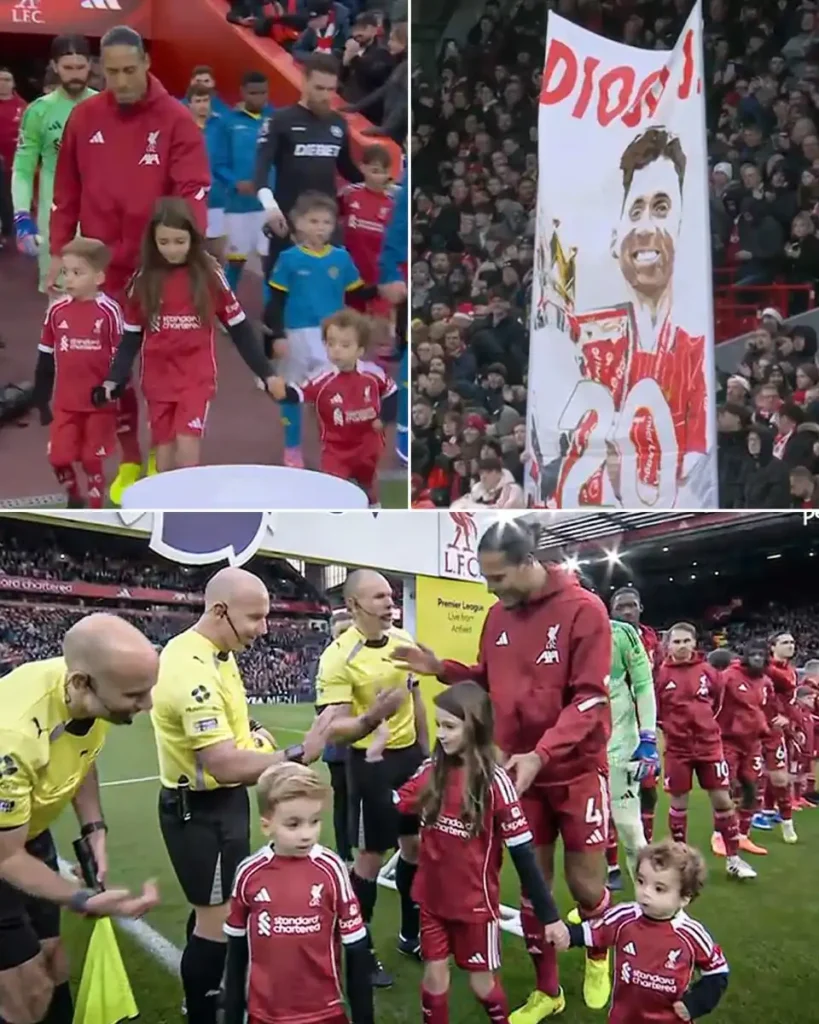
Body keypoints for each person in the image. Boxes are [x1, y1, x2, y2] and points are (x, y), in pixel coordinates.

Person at [149, 567, 394, 1024]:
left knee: (214, 910)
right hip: (202, 811)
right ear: (220, 611)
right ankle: (204, 1010)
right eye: (255, 618)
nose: (264, 629)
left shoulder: (219, 652)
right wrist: (298, 753)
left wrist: (264, 742)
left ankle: (206, 996)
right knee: (213, 922)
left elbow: (243, 726)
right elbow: (223, 763)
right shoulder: (190, 668)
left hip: (223, 805)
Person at [395, 520, 614, 1020]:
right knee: (532, 884)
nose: (490, 588)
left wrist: (543, 753)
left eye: (496, 577)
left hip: (575, 771)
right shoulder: (496, 616)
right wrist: (441, 669)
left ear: (527, 562)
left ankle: (599, 953)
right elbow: (486, 681)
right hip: (517, 772)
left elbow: (591, 698)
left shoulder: (585, 610)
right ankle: (549, 990)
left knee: (584, 886)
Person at [49, 24, 211, 501]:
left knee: (159, 368)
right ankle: (129, 462)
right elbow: (65, 192)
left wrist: (184, 257)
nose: (120, 81)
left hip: (154, 269)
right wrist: (60, 255)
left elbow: (192, 195)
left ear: (146, 65)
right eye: (112, 72)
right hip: (103, 269)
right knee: (106, 369)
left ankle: (168, 461)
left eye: (129, 70)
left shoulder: (177, 121)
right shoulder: (84, 118)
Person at [0, 613, 161, 1024]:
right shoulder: (13, 736)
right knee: (26, 991)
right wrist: (81, 897)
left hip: (25, 834)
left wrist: (94, 829)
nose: (149, 705)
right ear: (80, 684)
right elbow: (6, 859)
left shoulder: (85, 684)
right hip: (5, 850)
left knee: (55, 963)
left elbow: (83, 755)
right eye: (135, 695)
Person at [396, 683, 566, 1024]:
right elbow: (397, 803)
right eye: (439, 725)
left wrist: (550, 917)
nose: (441, 734)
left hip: (474, 906)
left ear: (474, 726)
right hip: (431, 900)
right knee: (434, 976)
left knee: (481, 983)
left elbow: (523, 855)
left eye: (450, 726)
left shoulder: (494, 783)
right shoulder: (431, 772)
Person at [96, 198, 276, 473]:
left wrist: (266, 373)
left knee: (187, 452)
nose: (172, 249)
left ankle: (186, 508)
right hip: (158, 380)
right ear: (153, 241)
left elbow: (239, 328)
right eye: (164, 242)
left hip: (195, 377)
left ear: (193, 238)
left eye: (180, 241)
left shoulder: (210, 275)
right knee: (164, 458)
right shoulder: (144, 280)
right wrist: (113, 378)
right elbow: (131, 337)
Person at [316, 569, 429, 988]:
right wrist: (373, 716)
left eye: (390, 595)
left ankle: (409, 935)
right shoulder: (337, 658)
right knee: (369, 858)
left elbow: (416, 698)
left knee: (414, 848)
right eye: (379, 596)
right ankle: (357, 953)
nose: (389, 602)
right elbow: (335, 728)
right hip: (369, 765)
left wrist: (425, 752)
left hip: (409, 760)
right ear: (353, 606)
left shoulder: (403, 643)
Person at [253, 51, 363, 449]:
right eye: (318, 88)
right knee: (278, 297)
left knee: (327, 299)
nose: (325, 96)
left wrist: (381, 182)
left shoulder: (336, 123)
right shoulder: (281, 121)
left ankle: (328, 386)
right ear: (303, 83)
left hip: (326, 228)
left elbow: (349, 169)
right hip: (286, 225)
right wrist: (269, 208)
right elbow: (261, 168)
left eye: (331, 91)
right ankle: (276, 364)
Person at [221, 763, 374, 1024]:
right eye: (293, 824)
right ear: (267, 825)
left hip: (325, 1011)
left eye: (314, 821)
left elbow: (356, 949)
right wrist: (233, 1015)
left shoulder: (332, 869)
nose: (307, 834)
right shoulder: (249, 873)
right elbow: (236, 954)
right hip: (265, 1013)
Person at [559, 840, 729, 1024]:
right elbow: (593, 931)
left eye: (659, 889)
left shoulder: (691, 934)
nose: (645, 892)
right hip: (624, 1018)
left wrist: (696, 1003)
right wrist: (567, 935)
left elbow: (718, 971)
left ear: (684, 898)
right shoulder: (623, 917)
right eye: (641, 881)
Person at [655, 623, 755, 879]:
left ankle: (733, 858)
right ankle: (681, 857)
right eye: (676, 642)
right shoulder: (660, 674)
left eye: (686, 641)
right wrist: (671, 729)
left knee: (722, 799)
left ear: (694, 643)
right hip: (677, 749)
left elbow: (719, 702)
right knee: (679, 802)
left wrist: (706, 727)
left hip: (709, 746)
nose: (681, 646)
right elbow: (655, 710)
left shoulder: (708, 672)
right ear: (668, 645)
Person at [268, 309, 398, 504]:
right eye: (331, 344)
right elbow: (297, 393)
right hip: (335, 450)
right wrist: (280, 391)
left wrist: (384, 418)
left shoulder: (374, 375)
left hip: (368, 446)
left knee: (368, 487)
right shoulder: (321, 378)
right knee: (333, 493)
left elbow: (392, 392)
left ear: (360, 350)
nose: (336, 350)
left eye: (345, 345)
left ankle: (374, 510)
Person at [32, 237, 122, 508]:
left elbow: (122, 358)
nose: (69, 279)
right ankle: (73, 494)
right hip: (66, 403)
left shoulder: (109, 312)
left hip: (98, 405)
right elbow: (46, 355)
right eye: (65, 272)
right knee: (58, 458)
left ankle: (95, 513)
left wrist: (111, 388)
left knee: (91, 460)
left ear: (98, 277)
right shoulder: (57, 310)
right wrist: (41, 396)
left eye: (77, 273)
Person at [11, 36, 95, 291]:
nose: (75, 75)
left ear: (90, 65)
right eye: (68, 68)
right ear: (55, 66)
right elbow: (23, 169)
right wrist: (22, 217)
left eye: (80, 67)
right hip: (55, 222)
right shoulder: (38, 111)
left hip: (99, 221)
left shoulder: (105, 106)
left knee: (101, 306)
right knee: (59, 303)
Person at [604, 617, 657, 889]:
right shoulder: (551, 628)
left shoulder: (620, 633)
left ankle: (647, 902)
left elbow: (644, 685)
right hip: (573, 750)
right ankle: (593, 913)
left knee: (629, 829)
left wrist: (648, 738)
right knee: (580, 837)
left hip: (618, 748)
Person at [214, 71, 275, 295]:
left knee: (270, 264)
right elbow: (218, 163)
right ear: (242, 93)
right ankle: (225, 311)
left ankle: (271, 319)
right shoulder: (228, 122)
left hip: (270, 205)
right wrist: (235, 182)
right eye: (253, 93)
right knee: (236, 262)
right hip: (238, 205)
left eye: (263, 93)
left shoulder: (277, 119)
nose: (259, 98)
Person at [610, 587, 661, 842]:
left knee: (648, 790)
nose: (627, 611)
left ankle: (647, 847)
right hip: (614, 726)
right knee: (611, 792)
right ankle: (612, 865)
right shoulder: (604, 637)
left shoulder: (652, 640)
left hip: (645, 724)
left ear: (641, 608)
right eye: (621, 607)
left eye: (632, 605)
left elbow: (653, 683)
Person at [714, 641, 772, 858]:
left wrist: (768, 725)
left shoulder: (766, 681)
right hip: (729, 740)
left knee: (752, 787)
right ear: (745, 657)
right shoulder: (729, 676)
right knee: (725, 787)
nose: (757, 658)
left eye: (761, 654)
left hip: (753, 742)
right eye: (753, 654)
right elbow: (714, 702)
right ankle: (719, 835)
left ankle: (743, 834)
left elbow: (768, 707)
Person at [754, 632, 798, 841]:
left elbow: (790, 699)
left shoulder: (787, 670)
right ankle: (753, 812)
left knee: (778, 772)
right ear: (772, 647)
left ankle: (770, 811)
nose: (790, 646)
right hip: (755, 726)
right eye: (785, 642)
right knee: (753, 772)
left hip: (776, 728)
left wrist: (787, 718)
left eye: (792, 642)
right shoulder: (764, 668)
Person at [323, 609, 355, 865]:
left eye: (348, 632)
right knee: (343, 802)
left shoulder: (366, 661)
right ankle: (345, 854)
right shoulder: (328, 662)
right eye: (340, 633)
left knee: (363, 800)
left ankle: (363, 848)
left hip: (366, 745)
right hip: (339, 749)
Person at [187, 84, 228, 263]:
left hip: (217, 198)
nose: (203, 105)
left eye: (206, 100)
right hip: (191, 199)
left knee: (218, 252)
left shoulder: (221, 126)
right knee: (195, 250)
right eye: (198, 101)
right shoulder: (183, 128)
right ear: (189, 104)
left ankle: (219, 289)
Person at [0, 67, 25, 247]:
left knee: (13, 200)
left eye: (7, 79)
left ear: (14, 83)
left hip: (17, 163)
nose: (3, 83)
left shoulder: (24, 106)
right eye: (0, 79)